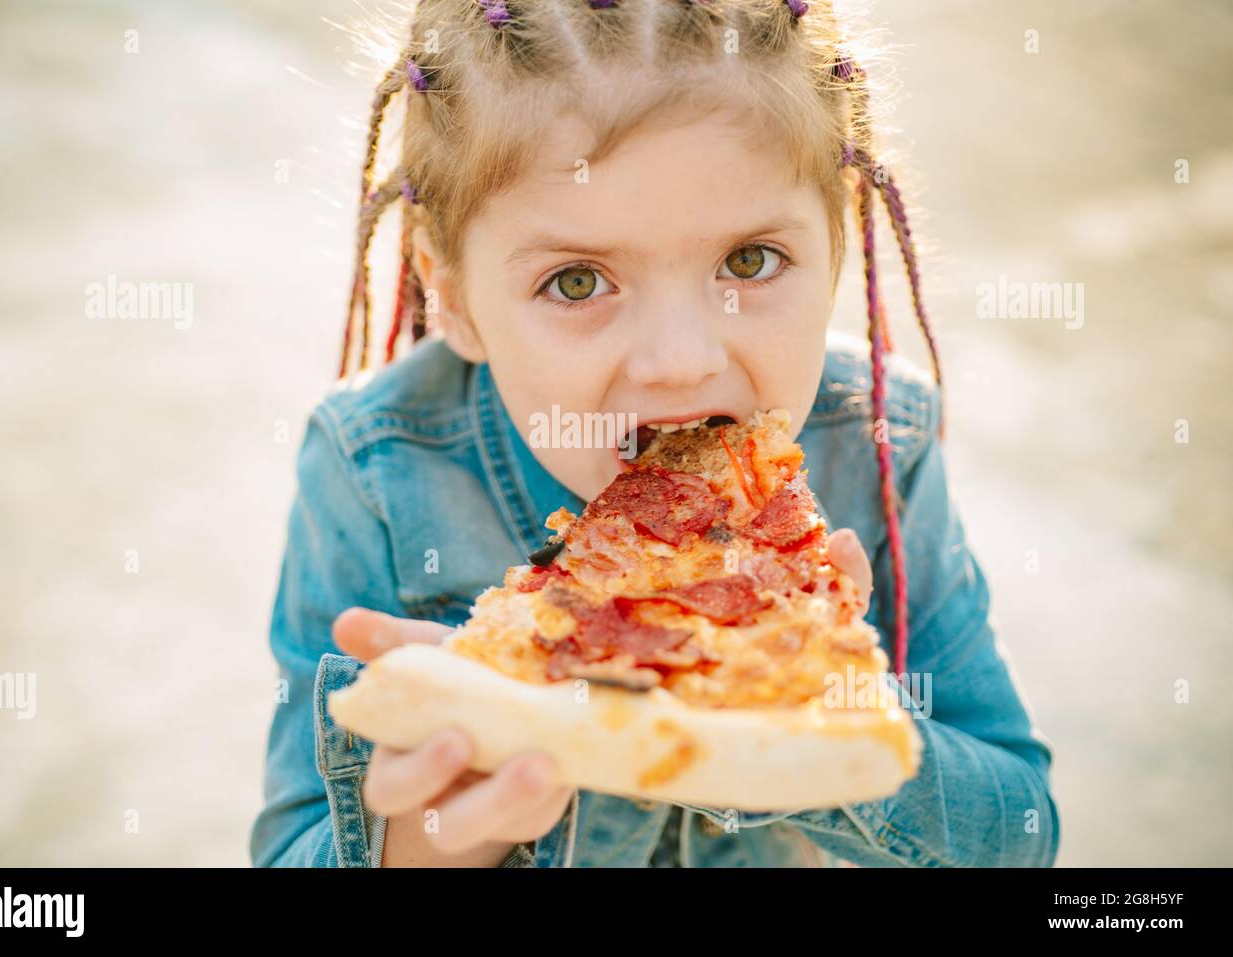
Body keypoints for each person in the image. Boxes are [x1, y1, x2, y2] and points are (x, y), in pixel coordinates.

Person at [251, 0, 1059, 868]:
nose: (680, 360)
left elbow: (1020, 834)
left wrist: (807, 711)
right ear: (446, 292)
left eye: (748, 262)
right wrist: (443, 834)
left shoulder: (880, 436)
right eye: (575, 282)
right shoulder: (372, 464)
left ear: (837, 242)